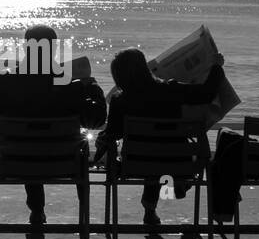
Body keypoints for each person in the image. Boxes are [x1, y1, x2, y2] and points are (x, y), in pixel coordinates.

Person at [0, 25, 107, 230]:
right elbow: (95, 121)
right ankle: (84, 217)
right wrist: (91, 85)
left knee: (30, 144)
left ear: (26, 48)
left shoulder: (4, 83)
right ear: (54, 50)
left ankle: (36, 210)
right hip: (64, 163)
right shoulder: (72, 86)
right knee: (70, 145)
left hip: (13, 163)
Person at [94, 48, 227, 227]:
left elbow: (113, 134)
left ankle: (152, 207)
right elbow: (206, 94)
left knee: (150, 154)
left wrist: (101, 138)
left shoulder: (120, 101)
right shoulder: (170, 90)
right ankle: (175, 186)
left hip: (136, 164)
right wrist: (216, 67)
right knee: (162, 153)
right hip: (177, 162)